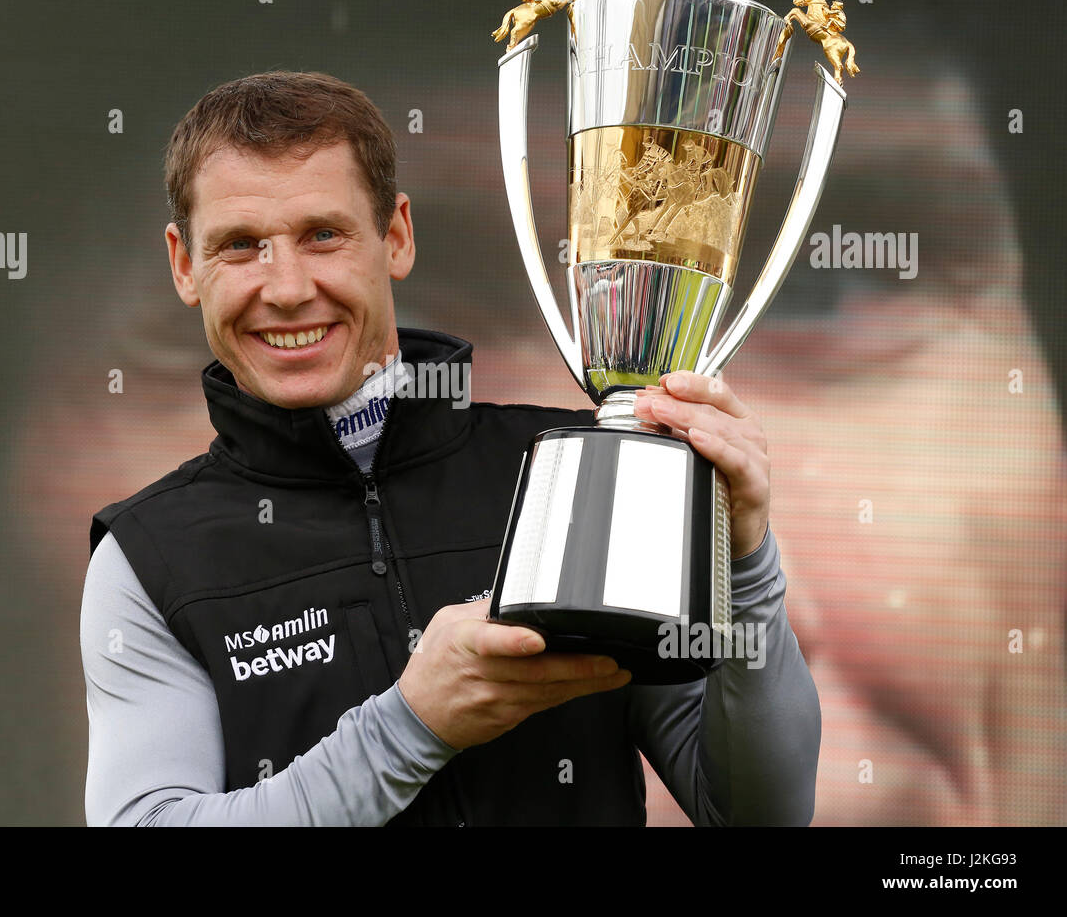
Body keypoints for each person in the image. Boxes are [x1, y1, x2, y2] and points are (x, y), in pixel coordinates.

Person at [79, 70, 821, 826]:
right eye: (241, 246)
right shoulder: (148, 559)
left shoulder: (571, 468)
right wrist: (411, 724)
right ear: (184, 264)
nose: (289, 287)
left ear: (396, 236)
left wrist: (748, 564)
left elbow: (758, 813)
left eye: (323, 235)